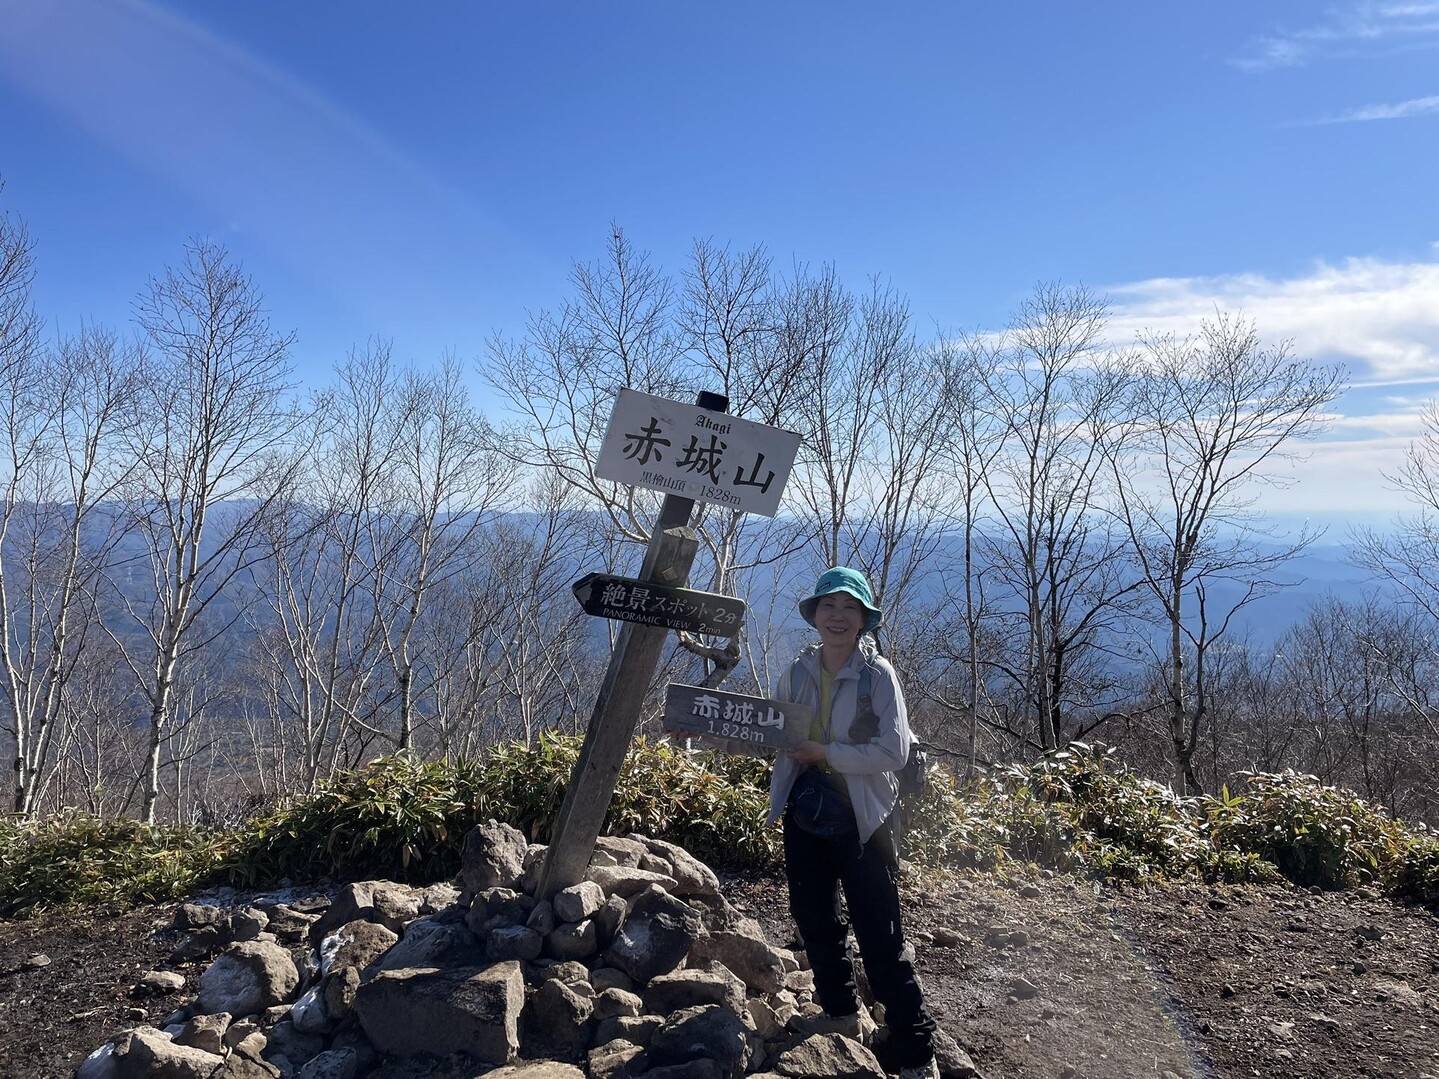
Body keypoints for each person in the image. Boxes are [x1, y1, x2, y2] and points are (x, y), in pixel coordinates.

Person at [768, 566, 939, 1079]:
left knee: (880, 933)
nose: (838, 616)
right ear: (814, 615)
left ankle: (916, 1050)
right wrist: (701, 727)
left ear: (864, 619)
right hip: (805, 809)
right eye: (829, 605)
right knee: (815, 918)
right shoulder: (798, 670)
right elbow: (772, 731)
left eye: (849, 607)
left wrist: (826, 752)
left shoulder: (877, 675)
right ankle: (841, 1014)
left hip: (865, 819)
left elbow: (894, 751)